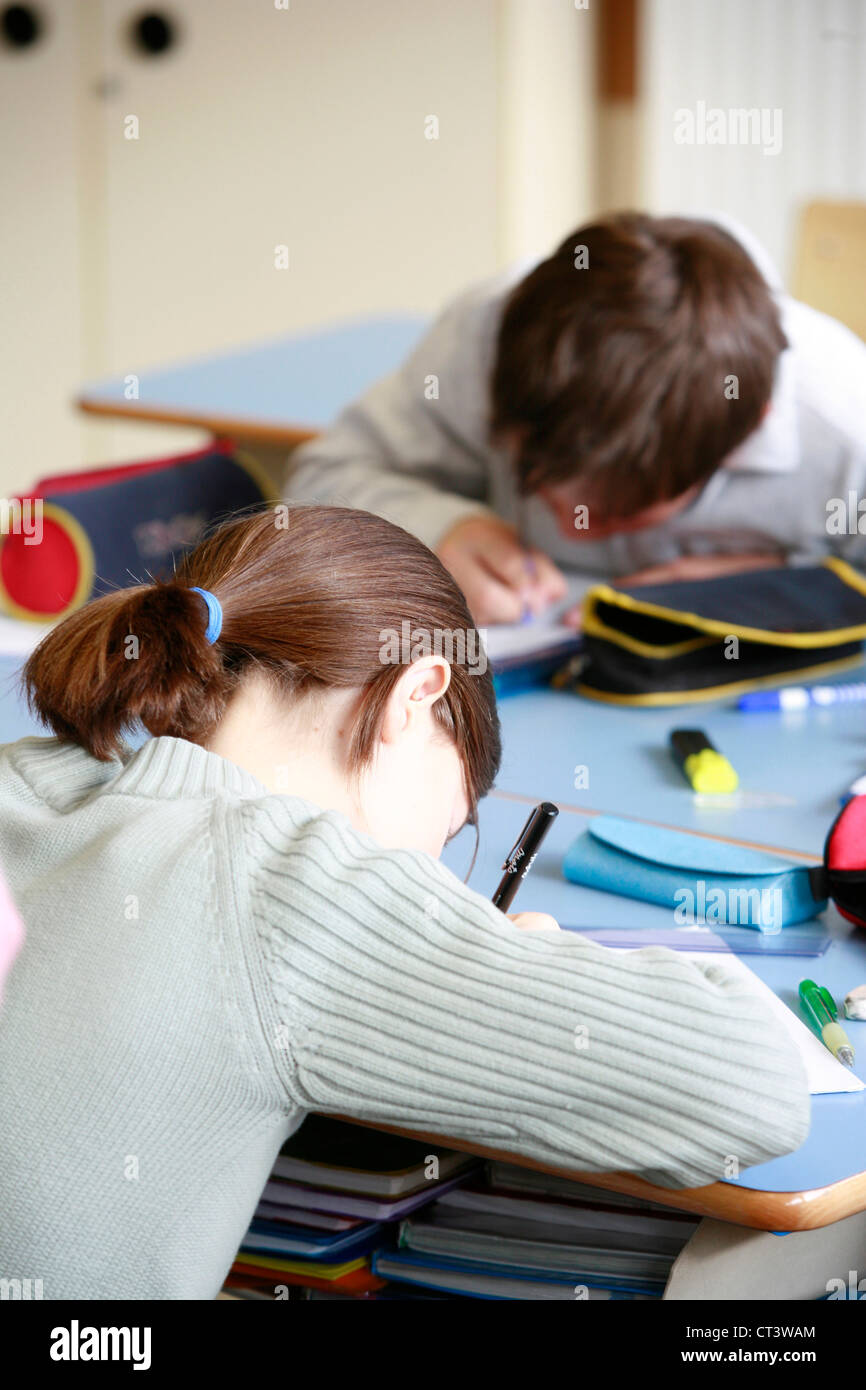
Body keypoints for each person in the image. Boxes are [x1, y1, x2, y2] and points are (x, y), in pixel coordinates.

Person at [0, 506, 808, 1299]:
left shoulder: (22, 776)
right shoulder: (294, 888)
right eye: (449, 829)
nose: (431, 869)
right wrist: (518, 960)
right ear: (414, 699)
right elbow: (754, 1085)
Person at [287, 213, 866, 625]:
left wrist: (785, 580)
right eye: (537, 487)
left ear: (744, 435)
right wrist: (440, 530)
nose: (571, 531)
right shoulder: (490, 334)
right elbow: (319, 478)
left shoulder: (844, 420)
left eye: (617, 514)